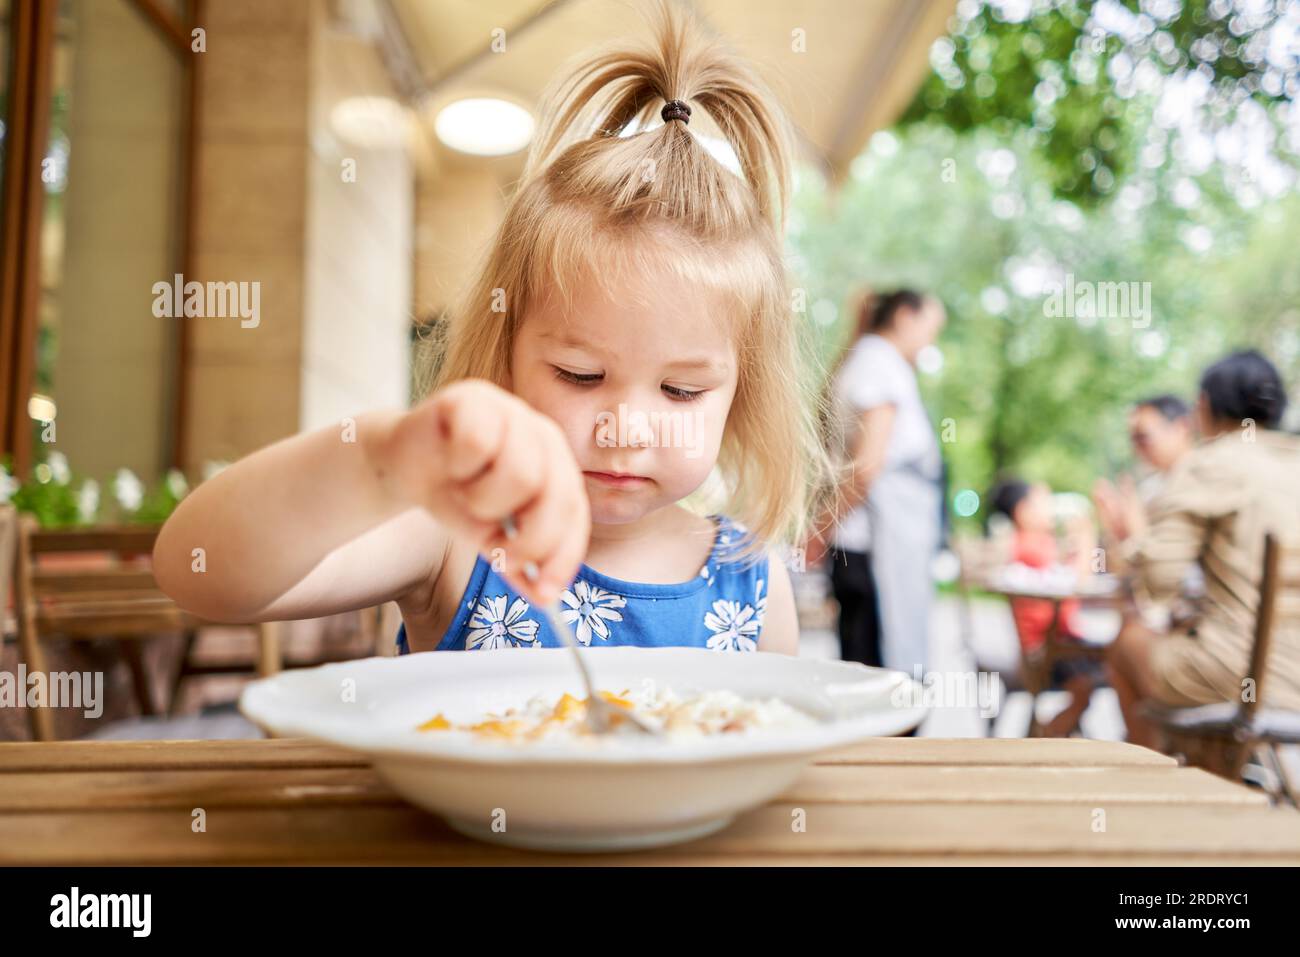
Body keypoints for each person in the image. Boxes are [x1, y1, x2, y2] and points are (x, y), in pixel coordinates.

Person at [152, 5, 832, 656]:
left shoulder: (755, 587)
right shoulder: (449, 540)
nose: (626, 428)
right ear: (505, 356)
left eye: (681, 390)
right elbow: (197, 573)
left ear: (742, 392)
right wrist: (378, 459)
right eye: (580, 374)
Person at [1106, 350, 1300, 747]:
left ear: (1204, 408)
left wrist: (1130, 539)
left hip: (1247, 677)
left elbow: (1158, 582)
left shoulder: (1209, 463)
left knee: (1127, 643)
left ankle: (1152, 786)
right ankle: (1218, 776)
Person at [815, 289, 946, 673]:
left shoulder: (869, 360)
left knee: (868, 664)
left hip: (870, 548)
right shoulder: (880, 364)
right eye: (931, 328)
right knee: (876, 676)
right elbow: (867, 467)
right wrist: (817, 533)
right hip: (870, 549)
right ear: (906, 315)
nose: (930, 342)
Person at [988, 477, 1102, 737]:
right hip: (1049, 647)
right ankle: (1046, 736)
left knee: (1092, 681)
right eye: (1043, 502)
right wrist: (1087, 538)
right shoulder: (1030, 546)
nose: (1051, 509)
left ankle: (1048, 732)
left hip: (1054, 642)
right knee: (1096, 678)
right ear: (1022, 512)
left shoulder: (1034, 543)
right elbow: (1077, 584)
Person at [1093, 394, 1194, 541]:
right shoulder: (1149, 490)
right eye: (1133, 439)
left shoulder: (1209, 480)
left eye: (1142, 437)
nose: (1136, 448)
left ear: (1181, 427)